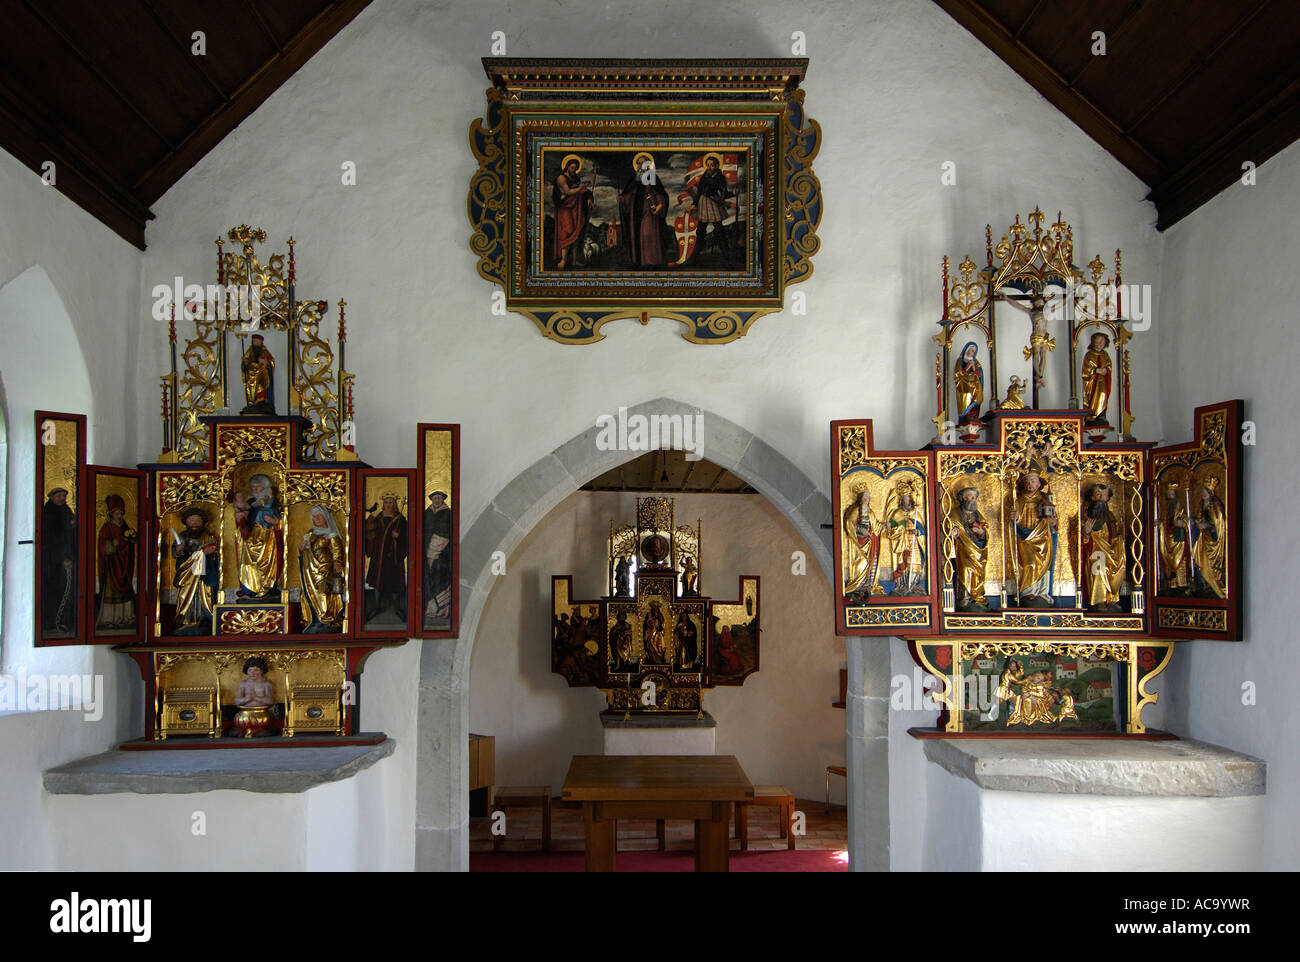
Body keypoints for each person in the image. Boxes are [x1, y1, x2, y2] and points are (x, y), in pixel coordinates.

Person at [618, 152, 675, 267]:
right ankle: (638, 261)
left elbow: (661, 194)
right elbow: (628, 193)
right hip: (635, 211)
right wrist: (623, 198)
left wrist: (659, 205)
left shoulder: (653, 177)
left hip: (648, 208)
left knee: (648, 233)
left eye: (643, 163)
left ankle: (651, 262)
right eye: (639, 163)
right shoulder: (634, 179)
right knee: (636, 235)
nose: (640, 165)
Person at [1011, 469, 1057, 607]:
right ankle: (1028, 592)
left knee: (1044, 564)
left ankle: (1042, 592)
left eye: (1033, 481)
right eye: (1027, 481)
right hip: (1025, 535)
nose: (1030, 484)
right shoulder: (1018, 500)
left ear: (1038, 484)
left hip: (1042, 535)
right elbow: (1014, 520)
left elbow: (1054, 521)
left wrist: (1052, 521)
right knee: (1030, 563)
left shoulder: (1045, 499)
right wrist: (1015, 519)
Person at [299, 504, 345, 633]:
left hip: (325, 568)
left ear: (325, 517)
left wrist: (337, 563)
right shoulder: (310, 533)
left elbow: (337, 551)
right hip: (310, 569)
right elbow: (303, 550)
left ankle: (326, 619)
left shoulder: (331, 534)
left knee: (323, 592)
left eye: (319, 516)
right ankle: (314, 620)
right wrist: (301, 548)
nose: (316, 519)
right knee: (309, 594)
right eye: (314, 516)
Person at [172, 507, 218, 635]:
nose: (194, 523)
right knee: (188, 597)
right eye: (191, 520)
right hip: (187, 573)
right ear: (186, 522)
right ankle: (186, 622)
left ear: (202, 522)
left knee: (202, 596)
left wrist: (209, 552)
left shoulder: (207, 535)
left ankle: (203, 621)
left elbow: (214, 552)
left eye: (197, 520)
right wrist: (178, 550)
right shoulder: (182, 536)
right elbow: (176, 554)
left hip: (204, 573)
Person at [235, 473, 281, 601]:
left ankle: (266, 590)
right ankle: (247, 591)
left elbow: (280, 522)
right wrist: (240, 518)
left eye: (258, 488)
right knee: (246, 564)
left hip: (266, 538)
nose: (255, 490)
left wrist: (274, 522)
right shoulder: (250, 504)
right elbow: (242, 523)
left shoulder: (272, 504)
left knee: (265, 564)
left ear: (266, 489)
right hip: (250, 539)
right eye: (253, 488)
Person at [684, 153, 735, 264]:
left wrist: (733, 194)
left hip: (713, 204)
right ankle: (694, 258)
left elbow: (723, 193)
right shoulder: (704, 175)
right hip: (703, 204)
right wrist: (694, 204)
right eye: (708, 165)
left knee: (719, 230)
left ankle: (727, 258)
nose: (709, 167)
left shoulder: (720, 177)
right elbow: (699, 192)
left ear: (717, 166)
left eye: (712, 165)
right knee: (700, 231)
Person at [1082, 483, 1126, 611]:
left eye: (1104, 495)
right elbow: (1082, 540)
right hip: (1095, 550)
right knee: (1099, 566)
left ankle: (1112, 599)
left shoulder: (1110, 516)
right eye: (1098, 495)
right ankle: (1099, 600)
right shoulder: (1087, 515)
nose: (1101, 498)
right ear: (1093, 498)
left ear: (1107, 498)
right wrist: (1087, 532)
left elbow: (1114, 535)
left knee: (1118, 565)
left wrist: (1118, 544)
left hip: (1109, 550)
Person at [364, 494, 408, 623]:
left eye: (391, 502)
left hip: (394, 555)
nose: (389, 505)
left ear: (395, 504)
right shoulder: (378, 518)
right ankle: (377, 607)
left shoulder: (400, 519)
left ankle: (396, 608)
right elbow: (370, 533)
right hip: (379, 555)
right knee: (378, 582)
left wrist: (398, 537)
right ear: (383, 504)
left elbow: (407, 536)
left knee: (395, 583)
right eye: (387, 502)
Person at [95, 493, 136, 629]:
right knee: (111, 592)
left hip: (124, 566)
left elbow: (130, 542)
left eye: (121, 513)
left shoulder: (126, 528)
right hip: (112, 567)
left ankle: (126, 617)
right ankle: (109, 619)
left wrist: (129, 541)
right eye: (116, 513)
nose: (119, 516)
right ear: (111, 514)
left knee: (125, 591)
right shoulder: (107, 528)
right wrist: (112, 544)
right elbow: (102, 545)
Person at [41, 487, 77, 634]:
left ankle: (64, 621)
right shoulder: (49, 513)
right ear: (52, 497)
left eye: (64, 496)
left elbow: (69, 535)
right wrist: (64, 558)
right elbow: (55, 539)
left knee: (67, 590)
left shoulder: (65, 510)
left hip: (66, 557)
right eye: (59, 496)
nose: (62, 498)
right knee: (55, 591)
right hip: (54, 560)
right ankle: (52, 622)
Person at [949, 486, 989, 610]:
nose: (972, 499)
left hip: (978, 550)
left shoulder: (979, 515)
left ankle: (978, 597)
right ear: (963, 498)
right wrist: (954, 532)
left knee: (979, 572)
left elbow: (985, 531)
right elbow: (949, 525)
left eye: (974, 497)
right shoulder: (955, 513)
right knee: (965, 569)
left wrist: (981, 531)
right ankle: (964, 598)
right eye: (969, 496)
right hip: (962, 548)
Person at [885, 481, 927, 596]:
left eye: (907, 499)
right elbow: (892, 528)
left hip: (914, 543)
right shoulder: (898, 513)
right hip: (903, 543)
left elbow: (922, 529)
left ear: (910, 500)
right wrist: (895, 527)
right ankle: (903, 585)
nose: (905, 501)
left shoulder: (916, 513)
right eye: (903, 499)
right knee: (905, 563)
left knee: (915, 562)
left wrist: (917, 531)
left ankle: (914, 585)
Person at [842, 482, 881, 602]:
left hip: (870, 542)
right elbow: (849, 523)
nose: (866, 500)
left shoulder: (869, 511)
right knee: (861, 562)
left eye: (868, 498)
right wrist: (860, 530)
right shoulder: (856, 510)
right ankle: (857, 585)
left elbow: (876, 526)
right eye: (864, 497)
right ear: (860, 498)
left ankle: (867, 586)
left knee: (870, 563)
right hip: (859, 543)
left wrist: (883, 525)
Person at [552, 155, 592, 269]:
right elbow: (568, 191)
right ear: (567, 167)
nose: (574, 170)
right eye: (572, 168)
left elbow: (582, 191)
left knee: (576, 233)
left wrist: (589, 198)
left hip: (575, 208)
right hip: (564, 208)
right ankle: (563, 260)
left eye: (575, 168)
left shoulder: (575, 178)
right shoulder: (561, 178)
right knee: (567, 233)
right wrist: (581, 187)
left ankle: (574, 260)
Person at [1190, 478, 1227, 598]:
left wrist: (1207, 525)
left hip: (1212, 538)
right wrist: (1195, 521)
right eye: (1202, 491)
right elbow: (1199, 517)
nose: (1203, 494)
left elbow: (1219, 524)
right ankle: (1203, 583)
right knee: (1200, 558)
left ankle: (1213, 585)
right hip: (1202, 537)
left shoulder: (1215, 505)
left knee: (1210, 563)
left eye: (1205, 491)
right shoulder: (1201, 504)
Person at [423, 491, 453, 627]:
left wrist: (437, 547)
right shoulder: (427, 512)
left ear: (443, 500)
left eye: (439, 498)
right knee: (428, 578)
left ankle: (440, 610)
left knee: (440, 578)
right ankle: (429, 609)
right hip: (427, 550)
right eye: (434, 498)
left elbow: (446, 531)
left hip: (442, 552)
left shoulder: (447, 513)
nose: (437, 500)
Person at [1157, 483, 1190, 595]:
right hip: (1168, 538)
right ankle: (1172, 584)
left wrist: (1182, 522)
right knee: (1169, 561)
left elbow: (1186, 519)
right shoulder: (1167, 508)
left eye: (1172, 494)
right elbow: (1165, 521)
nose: (1171, 497)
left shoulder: (1180, 507)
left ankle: (1182, 584)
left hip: (1178, 538)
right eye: (1169, 495)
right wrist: (1160, 523)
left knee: (1180, 561)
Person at [1080, 331, 1112, 425]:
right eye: (1097, 342)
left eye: (1102, 343)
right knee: (1093, 397)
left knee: (1103, 395)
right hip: (1092, 382)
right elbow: (1085, 371)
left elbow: (1109, 365)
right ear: (1093, 343)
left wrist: (1107, 370)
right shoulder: (1089, 355)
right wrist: (1096, 370)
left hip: (1102, 382)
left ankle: (1101, 415)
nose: (1099, 345)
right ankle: (1092, 416)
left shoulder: (1105, 355)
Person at [240, 333, 276, 415]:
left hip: (263, 374)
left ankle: (263, 402)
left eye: (258, 341)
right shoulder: (250, 350)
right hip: (252, 376)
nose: (256, 343)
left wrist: (266, 362)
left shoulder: (264, 351)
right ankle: (253, 403)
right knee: (252, 389)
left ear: (261, 342)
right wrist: (245, 362)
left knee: (263, 386)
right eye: (254, 341)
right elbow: (246, 362)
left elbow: (271, 362)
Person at [954, 342, 984, 425]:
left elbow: (979, 374)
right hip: (965, 385)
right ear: (966, 351)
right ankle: (966, 415)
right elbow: (957, 374)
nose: (973, 353)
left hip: (975, 384)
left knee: (977, 397)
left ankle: (973, 415)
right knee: (967, 396)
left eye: (974, 351)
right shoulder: (960, 360)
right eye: (971, 350)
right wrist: (967, 367)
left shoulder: (976, 362)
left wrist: (973, 367)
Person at [642, 600, 667, 665]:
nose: (655, 610)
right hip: (650, 633)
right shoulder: (649, 615)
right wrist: (651, 625)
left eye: (656, 608)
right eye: (654, 608)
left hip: (658, 634)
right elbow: (646, 625)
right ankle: (652, 659)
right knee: (650, 645)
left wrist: (659, 626)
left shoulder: (660, 615)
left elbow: (663, 624)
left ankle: (659, 659)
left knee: (660, 647)